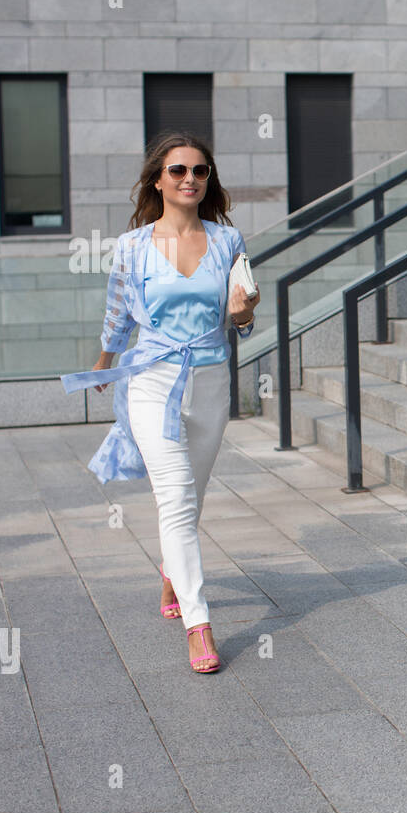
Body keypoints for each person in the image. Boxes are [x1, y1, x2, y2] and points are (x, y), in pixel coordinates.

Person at [61, 130, 260, 674]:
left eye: (200, 171)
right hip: (151, 381)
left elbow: (243, 322)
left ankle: (174, 572)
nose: (190, 179)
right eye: (178, 171)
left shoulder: (229, 241)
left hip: (211, 381)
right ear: (158, 180)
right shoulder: (132, 247)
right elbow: (119, 314)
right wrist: (105, 362)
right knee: (173, 498)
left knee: (190, 496)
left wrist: (243, 313)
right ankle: (199, 624)